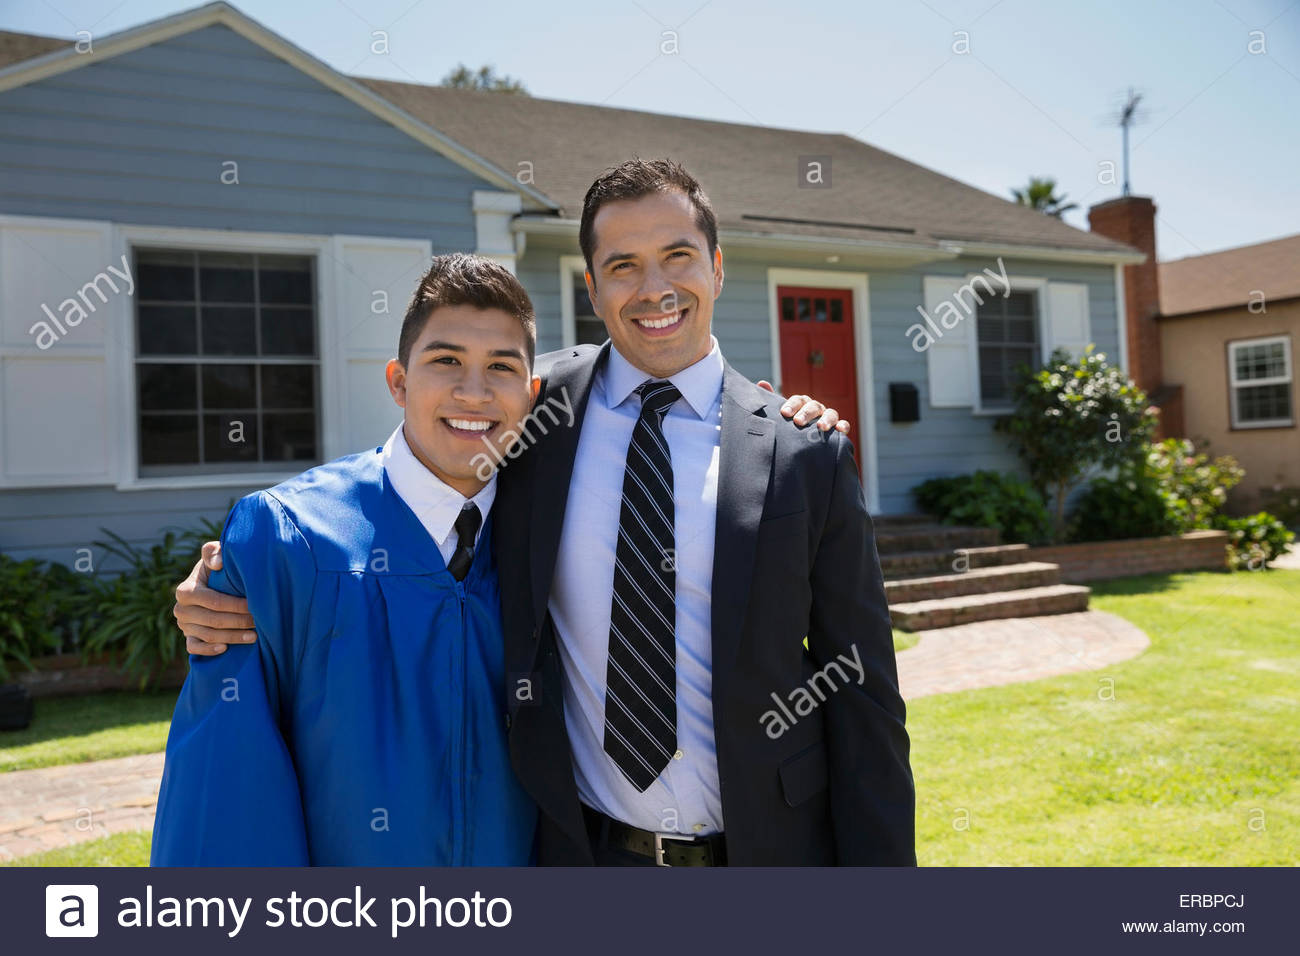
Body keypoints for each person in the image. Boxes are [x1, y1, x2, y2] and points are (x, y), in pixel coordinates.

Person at [175, 159, 911, 866]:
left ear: (717, 269)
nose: (654, 288)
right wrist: (234, 569)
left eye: (677, 256)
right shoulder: (539, 411)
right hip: (585, 860)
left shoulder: (803, 450)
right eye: (623, 265)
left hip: (768, 864)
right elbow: (419, 478)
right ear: (593, 287)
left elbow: (863, 694)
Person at [153, 254, 545, 864]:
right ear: (398, 381)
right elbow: (227, 786)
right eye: (446, 361)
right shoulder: (287, 539)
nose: (474, 391)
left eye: (501, 366)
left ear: (532, 393)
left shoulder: (553, 537)